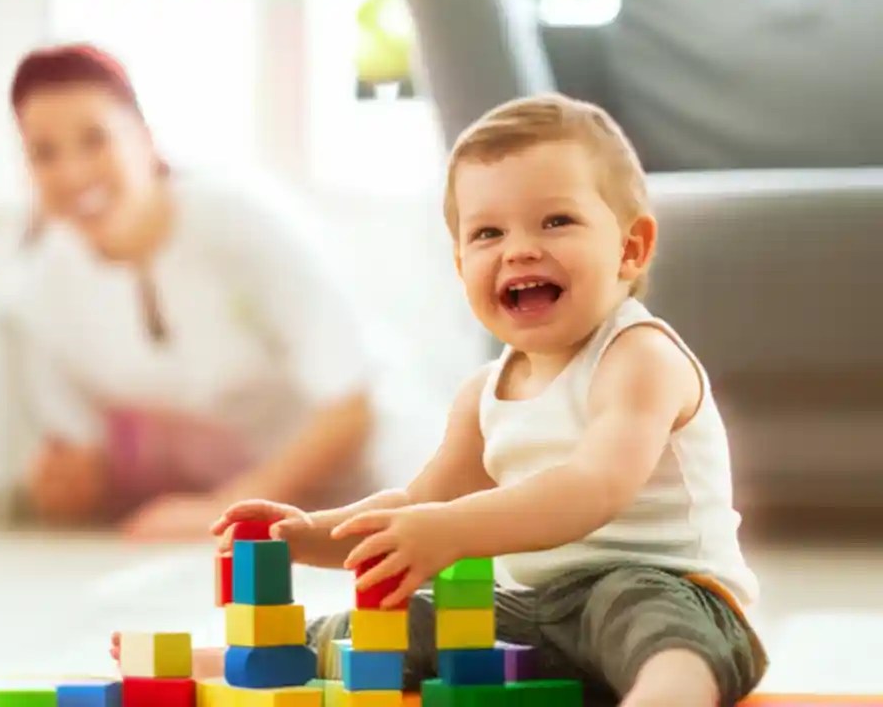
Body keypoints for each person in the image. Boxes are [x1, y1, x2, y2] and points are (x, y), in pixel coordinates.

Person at [111, 94, 768, 706]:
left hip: (668, 589)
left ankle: (669, 693)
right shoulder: (484, 394)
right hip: (534, 606)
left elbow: (594, 486)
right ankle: (252, 657)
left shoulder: (640, 358)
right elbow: (420, 507)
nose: (521, 249)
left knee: (648, 620)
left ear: (631, 248)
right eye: (488, 234)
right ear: (460, 267)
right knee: (408, 613)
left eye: (556, 220)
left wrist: (452, 532)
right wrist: (307, 535)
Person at [5, 44, 434, 540]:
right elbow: (82, 457)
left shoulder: (242, 221)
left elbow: (351, 405)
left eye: (95, 140)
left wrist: (229, 507)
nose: (73, 173)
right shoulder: (39, 289)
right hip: (255, 511)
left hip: (382, 470)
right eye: (44, 153)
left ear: (145, 139)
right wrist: (65, 482)